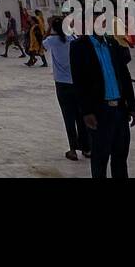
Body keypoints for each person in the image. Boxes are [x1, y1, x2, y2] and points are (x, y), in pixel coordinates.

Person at [69, 28, 135, 178]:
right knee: (100, 159)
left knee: (120, 157)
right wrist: (86, 112)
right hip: (99, 112)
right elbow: (79, 82)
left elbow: (125, 76)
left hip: (120, 110)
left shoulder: (113, 44)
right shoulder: (79, 46)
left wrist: (132, 106)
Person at [44, 15, 88, 161]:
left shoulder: (51, 41)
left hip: (62, 84)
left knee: (68, 116)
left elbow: (42, 45)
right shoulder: (72, 39)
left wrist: (50, 27)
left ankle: (73, 149)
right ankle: (87, 148)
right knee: (81, 115)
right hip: (77, 82)